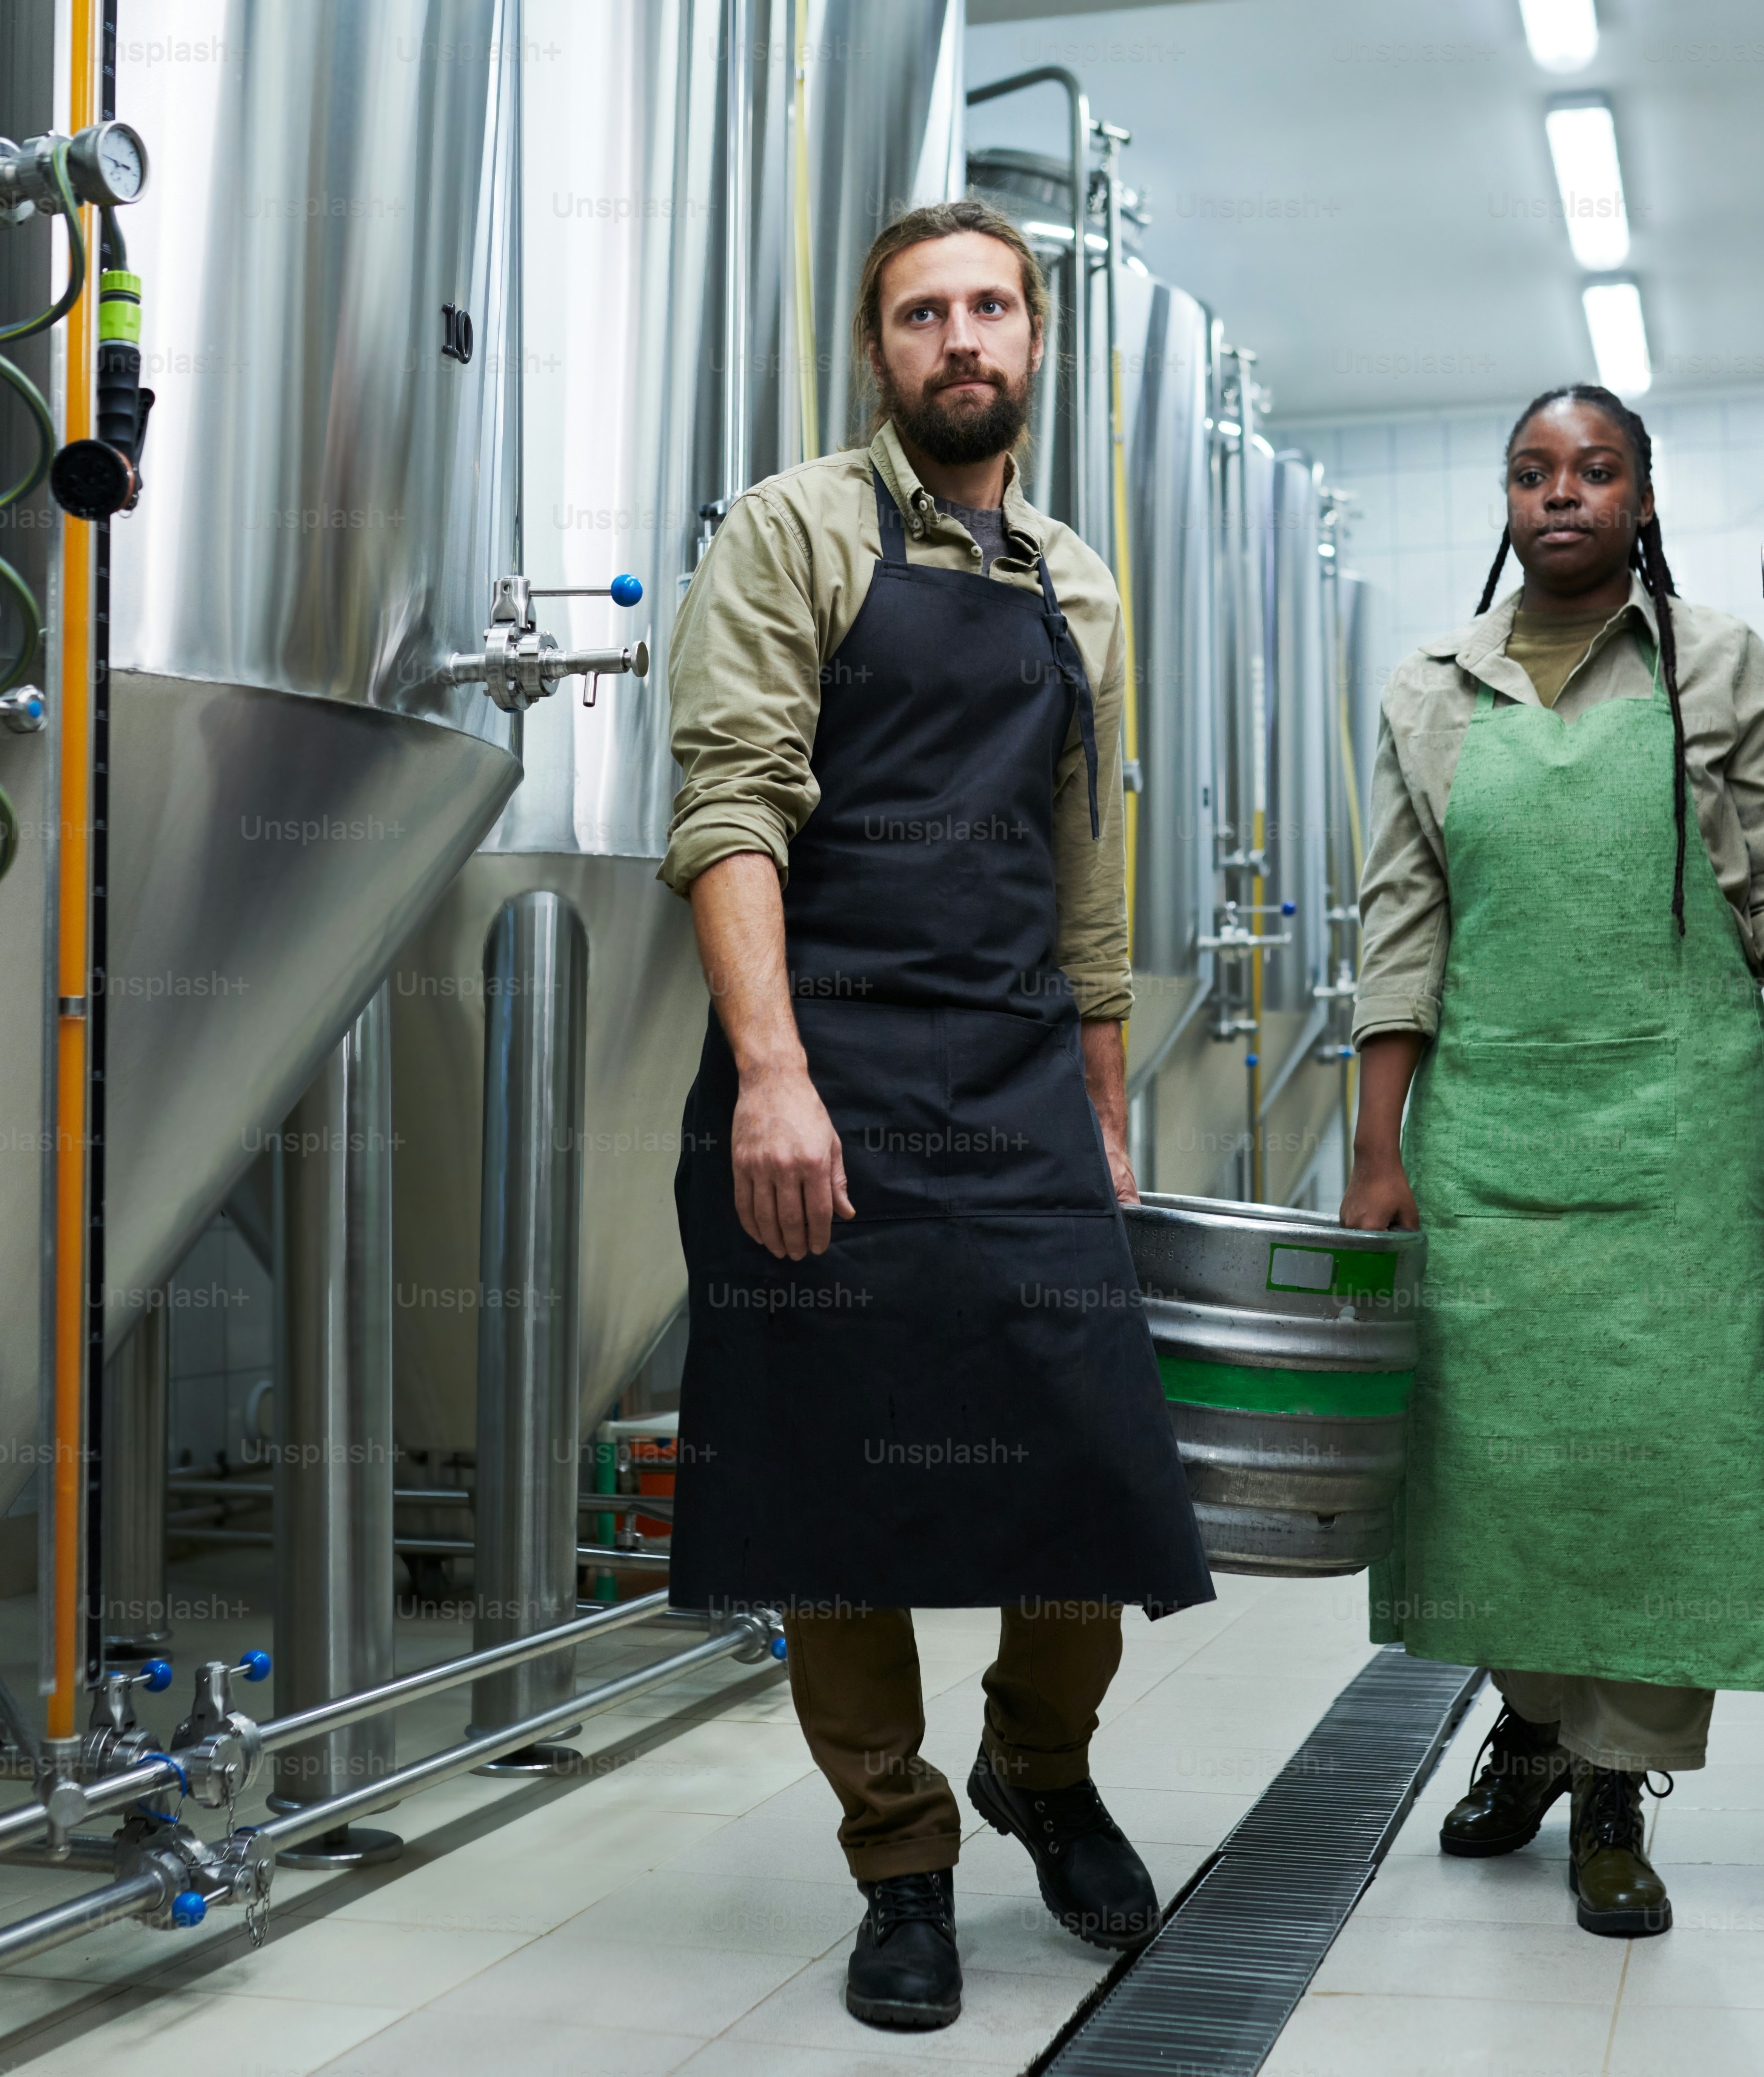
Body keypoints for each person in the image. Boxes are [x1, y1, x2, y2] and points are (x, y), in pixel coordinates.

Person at [656, 197, 1215, 2033]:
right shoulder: (794, 528)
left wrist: (1109, 1113)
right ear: (879, 351)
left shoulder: (1077, 576)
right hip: (824, 1070)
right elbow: (731, 804)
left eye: (989, 307)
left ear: (1034, 341)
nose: (958, 338)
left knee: (1098, 1476)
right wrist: (776, 1076)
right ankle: (899, 1859)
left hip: (1023, 1070)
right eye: (921, 314)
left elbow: (1087, 862)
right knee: (834, 1487)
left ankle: (1036, 1764)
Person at [1340, 383, 1764, 1939]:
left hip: (1686, 1135)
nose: (1562, 495)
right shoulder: (1432, 687)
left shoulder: (1719, 664)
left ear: (1640, 495)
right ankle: (1541, 1726)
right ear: (1508, 500)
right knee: (1496, 1458)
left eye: (1595, 469)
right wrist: (1376, 1147)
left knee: (1673, 1453)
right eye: (1532, 472)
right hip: (1489, 1137)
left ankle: (1618, 1783)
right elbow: (1400, 931)